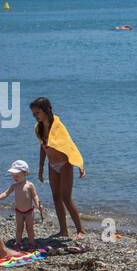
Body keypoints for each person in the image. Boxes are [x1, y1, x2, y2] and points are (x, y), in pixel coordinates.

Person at [31, 96, 86, 240]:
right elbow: (43, 148)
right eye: (34, 114)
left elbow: (69, 145)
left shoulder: (58, 125)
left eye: (37, 113)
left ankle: (80, 230)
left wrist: (79, 164)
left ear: (47, 110)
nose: (35, 116)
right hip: (52, 165)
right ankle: (63, 231)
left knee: (66, 197)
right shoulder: (39, 128)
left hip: (65, 164)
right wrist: (41, 167)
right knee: (56, 197)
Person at [0, 159, 44, 250]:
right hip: (18, 211)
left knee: (30, 228)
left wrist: (38, 204)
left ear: (25, 173)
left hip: (29, 211)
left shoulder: (30, 185)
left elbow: (35, 196)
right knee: (19, 228)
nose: (14, 177)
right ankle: (18, 242)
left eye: (17, 175)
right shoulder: (14, 186)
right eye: (13, 175)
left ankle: (31, 243)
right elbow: (5, 193)